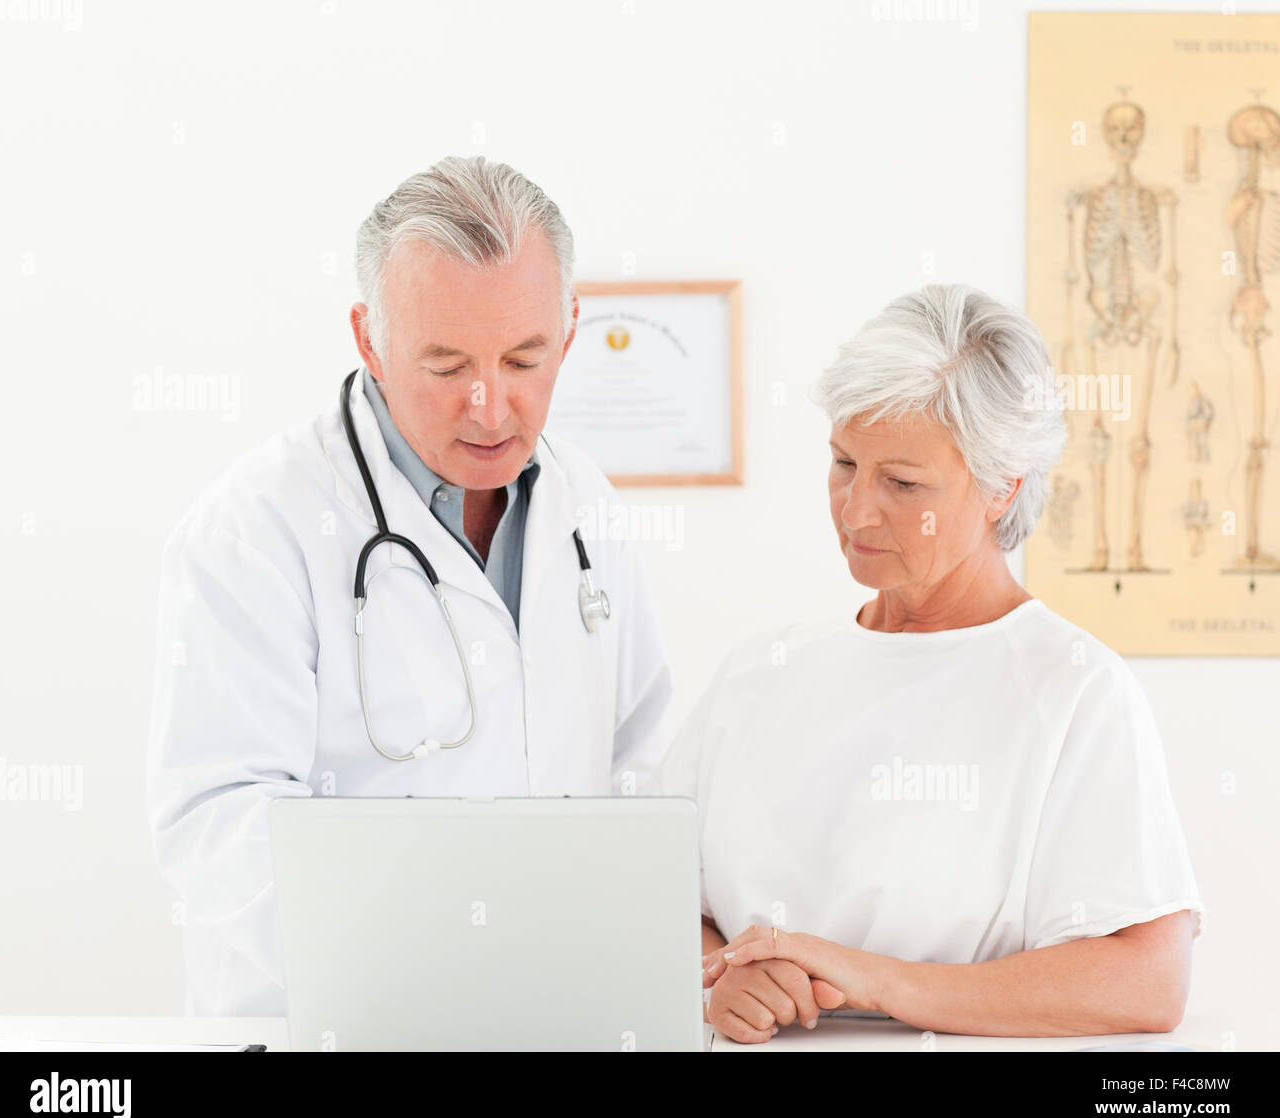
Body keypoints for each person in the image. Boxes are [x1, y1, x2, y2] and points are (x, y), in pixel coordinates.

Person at [145, 156, 672, 1016]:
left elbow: (637, 760)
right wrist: (442, 962)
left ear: (569, 333)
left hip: (564, 1009)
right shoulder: (256, 529)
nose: (491, 406)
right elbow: (222, 825)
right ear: (370, 341)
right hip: (347, 1020)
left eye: (525, 358)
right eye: (445, 363)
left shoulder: (584, 504)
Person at [655, 283, 1205, 1043]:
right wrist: (718, 975)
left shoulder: (1075, 690)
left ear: (1001, 486)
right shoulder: (762, 671)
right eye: (845, 462)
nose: (855, 511)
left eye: (903, 484)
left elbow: (1148, 982)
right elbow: (650, 888)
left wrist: (869, 978)